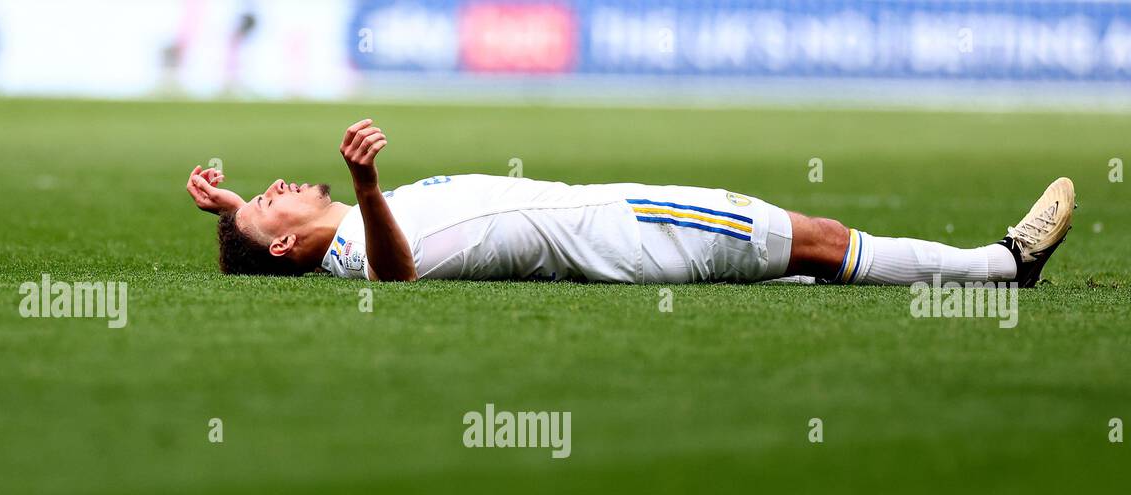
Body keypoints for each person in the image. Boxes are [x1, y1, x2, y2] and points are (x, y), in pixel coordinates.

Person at [186, 118, 1073, 288]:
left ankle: (991, 268)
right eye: (268, 207)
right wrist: (370, 190)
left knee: (815, 261)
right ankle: (1005, 264)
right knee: (824, 240)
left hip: (614, 220)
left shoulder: (332, 237)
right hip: (626, 231)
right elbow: (398, 276)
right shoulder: (356, 248)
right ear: (285, 251)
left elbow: (280, 238)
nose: (272, 187)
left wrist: (233, 210)